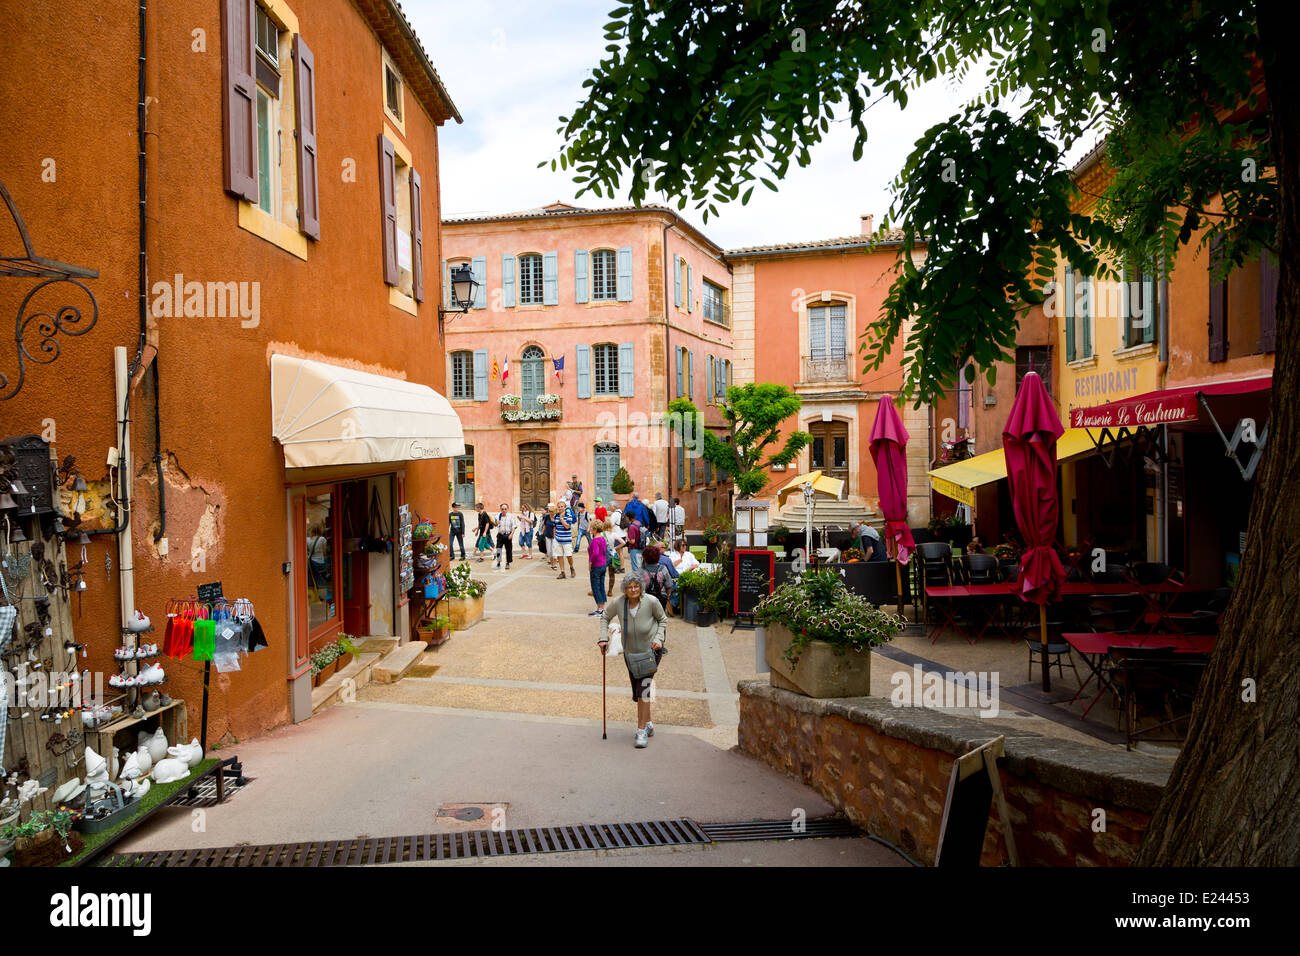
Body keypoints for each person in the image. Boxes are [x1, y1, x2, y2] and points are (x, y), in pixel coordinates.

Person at [599, 572, 667, 749]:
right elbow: (605, 617)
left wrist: (658, 639)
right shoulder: (619, 603)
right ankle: (649, 723)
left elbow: (662, 620)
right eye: (629, 587)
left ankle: (641, 730)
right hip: (631, 654)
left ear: (641, 587)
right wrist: (603, 638)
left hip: (650, 652)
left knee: (643, 690)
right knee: (639, 691)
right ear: (625, 589)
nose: (633, 589)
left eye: (636, 585)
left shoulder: (651, 601)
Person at [640, 544, 676, 613]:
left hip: (645, 598)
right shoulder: (663, 569)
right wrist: (668, 597)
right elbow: (669, 585)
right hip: (661, 598)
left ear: (644, 557)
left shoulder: (641, 571)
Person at [586, 519, 609, 616]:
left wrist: (590, 563)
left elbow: (595, 553)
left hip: (596, 565)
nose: (590, 529)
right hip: (603, 564)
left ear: (595, 529)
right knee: (601, 586)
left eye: (591, 528)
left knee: (595, 586)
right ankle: (602, 607)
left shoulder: (595, 540)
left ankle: (600, 609)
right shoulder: (603, 538)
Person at [553, 498, 577, 579]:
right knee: (559, 555)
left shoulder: (568, 515)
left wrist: (561, 519)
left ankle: (571, 567)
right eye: (559, 507)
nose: (560, 508)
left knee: (569, 556)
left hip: (566, 540)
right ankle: (562, 572)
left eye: (562, 506)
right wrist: (554, 536)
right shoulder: (556, 515)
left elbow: (567, 526)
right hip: (558, 539)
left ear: (565, 507)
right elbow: (555, 526)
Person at [494, 503, 517, 570]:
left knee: (508, 549)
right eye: (502, 509)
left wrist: (511, 534)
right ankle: (498, 563)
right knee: (498, 549)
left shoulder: (511, 516)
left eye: (505, 509)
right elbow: (494, 525)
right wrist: (496, 523)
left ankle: (508, 563)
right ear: (500, 509)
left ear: (507, 509)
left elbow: (514, 526)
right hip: (500, 535)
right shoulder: (497, 516)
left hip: (508, 535)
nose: (504, 510)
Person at [541, 504, 556, 568]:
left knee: (554, 551)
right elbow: (544, 525)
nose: (549, 512)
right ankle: (552, 563)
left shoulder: (556, 517)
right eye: (549, 511)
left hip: (555, 537)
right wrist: (542, 532)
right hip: (547, 536)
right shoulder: (547, 517)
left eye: (551, 511)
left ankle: (554, 564)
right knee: (549, 552)